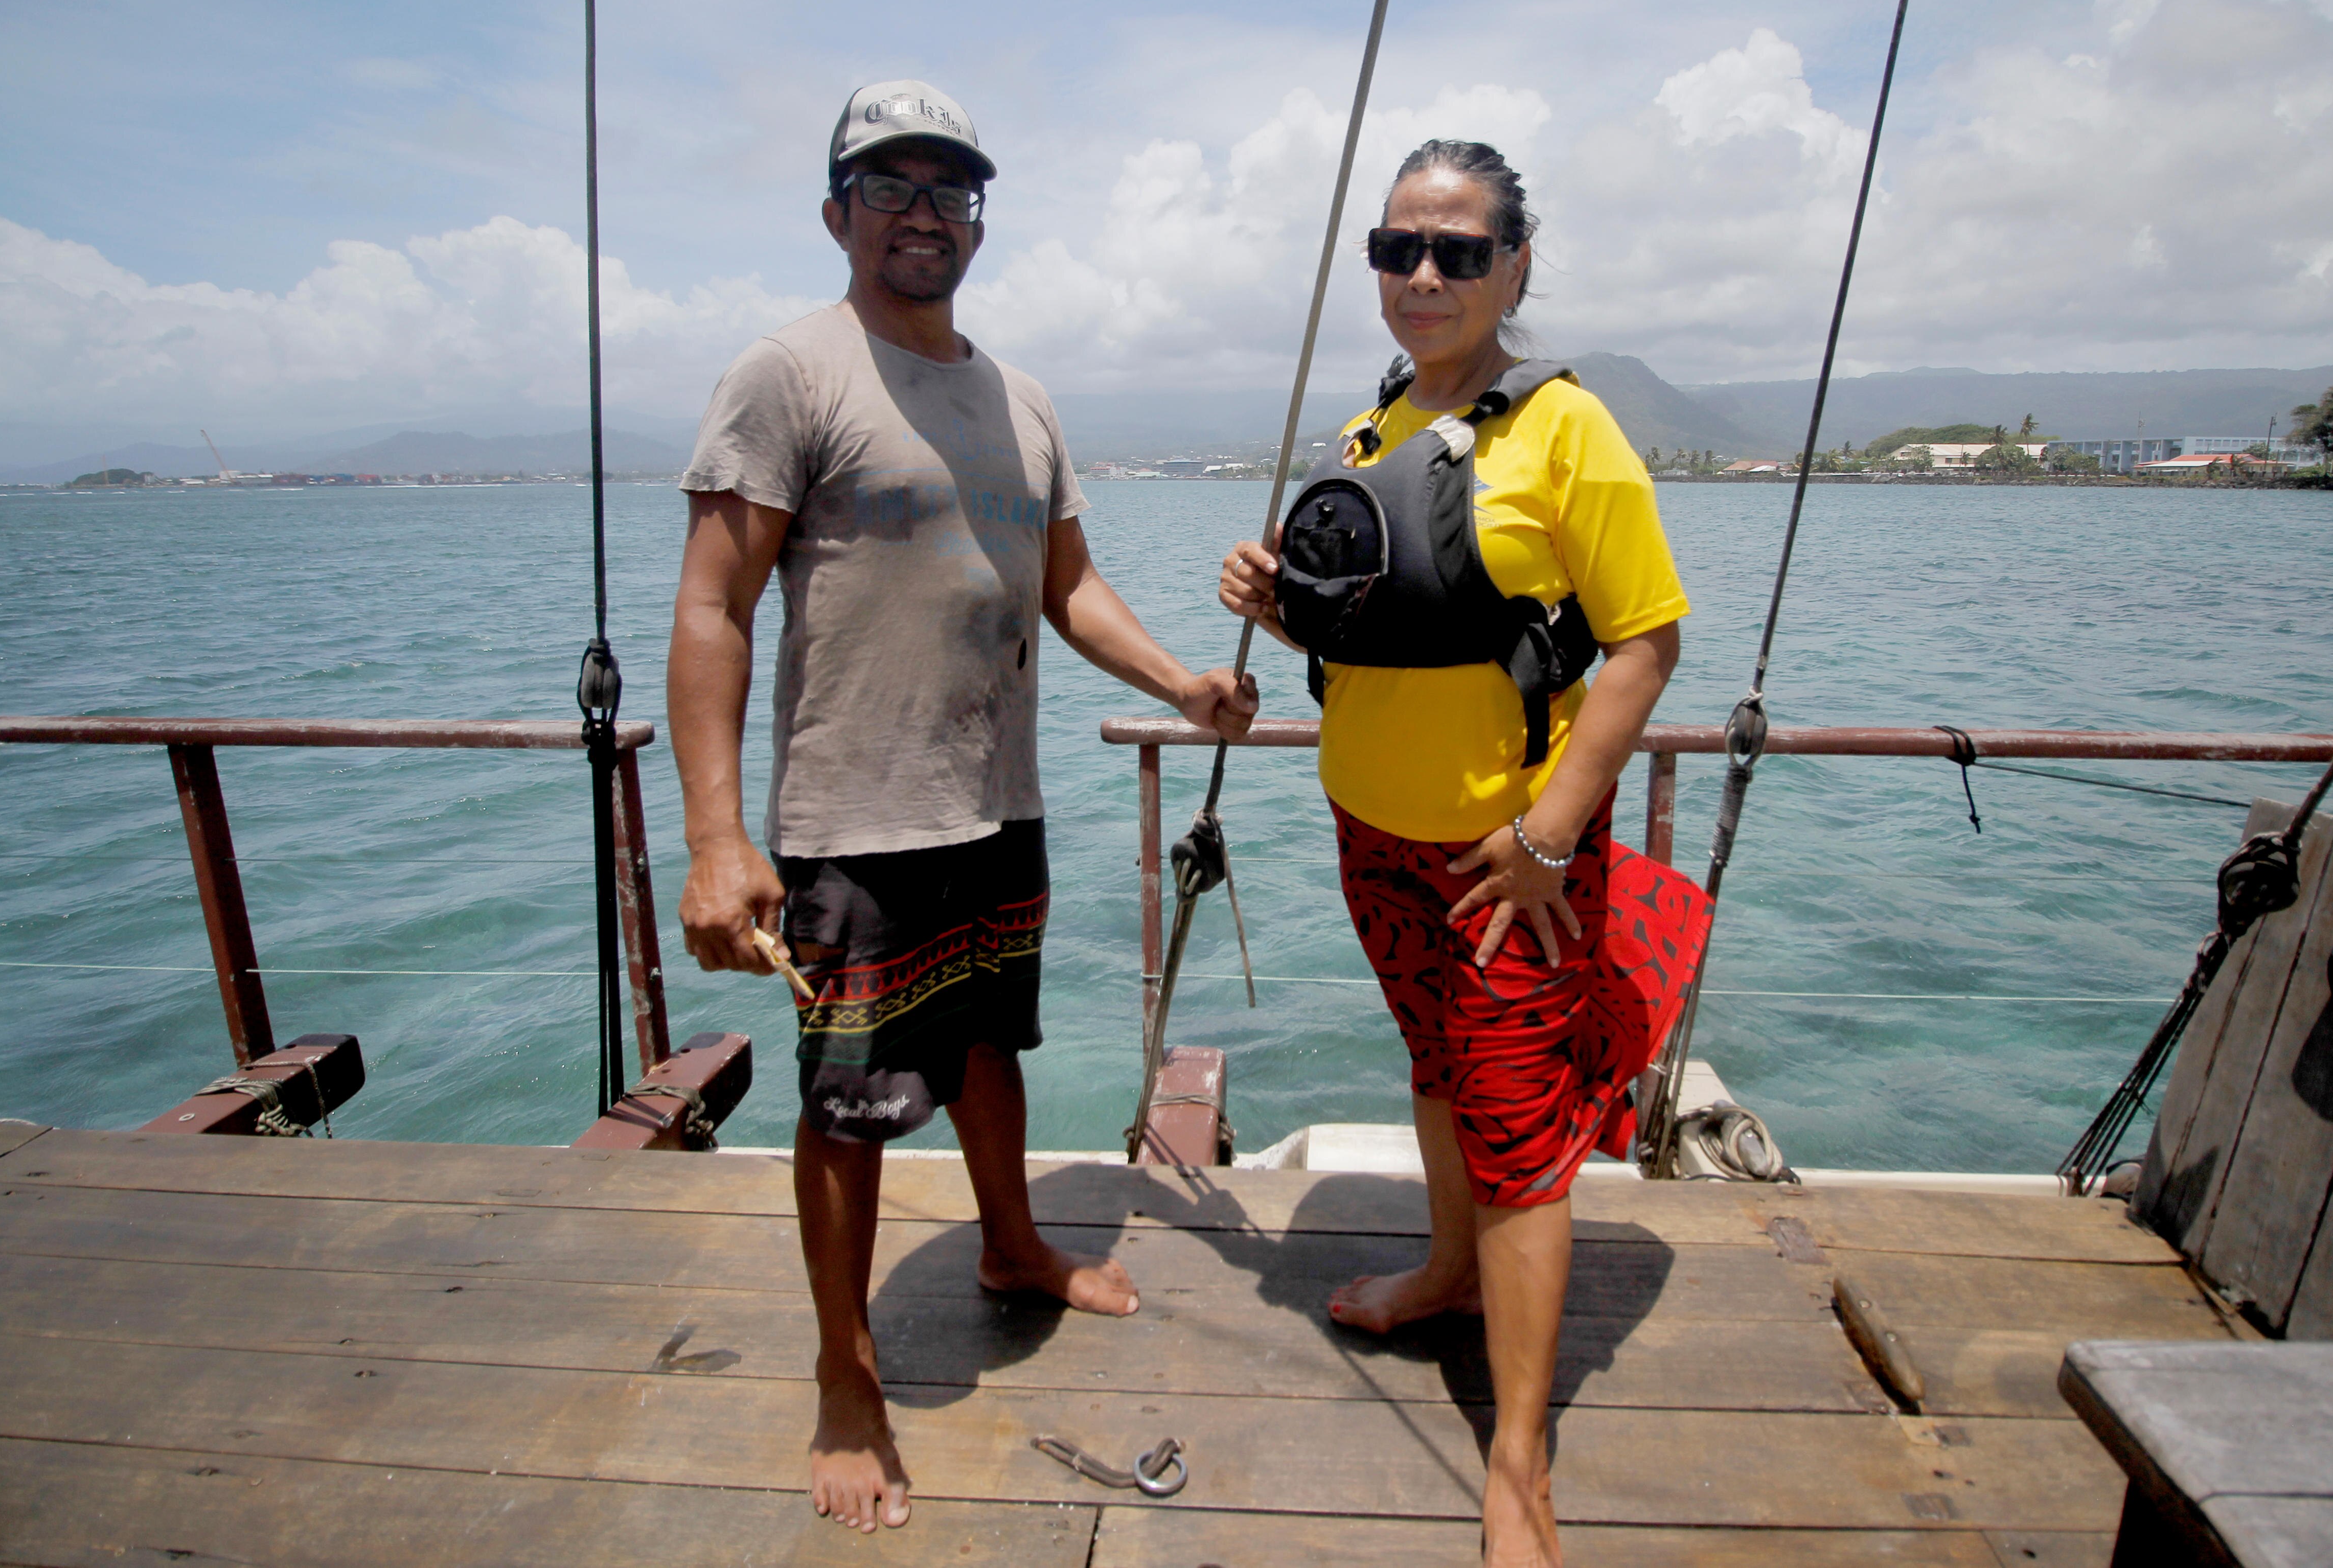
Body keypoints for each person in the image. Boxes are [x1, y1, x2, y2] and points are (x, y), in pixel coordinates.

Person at [668, 78, 1258, 1535]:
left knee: (994, 1040)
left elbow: (1063, 587)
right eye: (892, 185)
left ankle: (1010, 1246)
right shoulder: (788, 374)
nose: (925, 212)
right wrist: (716, 839)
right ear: (838, 215)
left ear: (978, 222)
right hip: (852, 815)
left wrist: (1183, 680)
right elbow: (710, 608)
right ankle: (846, 1375)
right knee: (851, 1107)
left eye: (951, 190)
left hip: (996, 801)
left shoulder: (1024, 398)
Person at [1220, 140, 1694, 1568]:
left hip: (1511, 861)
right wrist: (1280, 606)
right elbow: (1386, 634)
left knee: (1523, 1138)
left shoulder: (1566, 429)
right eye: (1399, 249)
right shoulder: (1371, 431)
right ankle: (1444, 1272)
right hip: (1376, 839)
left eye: (1458, 251)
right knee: (1436, 1067)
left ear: (1514, 267)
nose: (1423, 276)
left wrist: (1552, 833)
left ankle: (1520, 1461)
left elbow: (1645, 642)